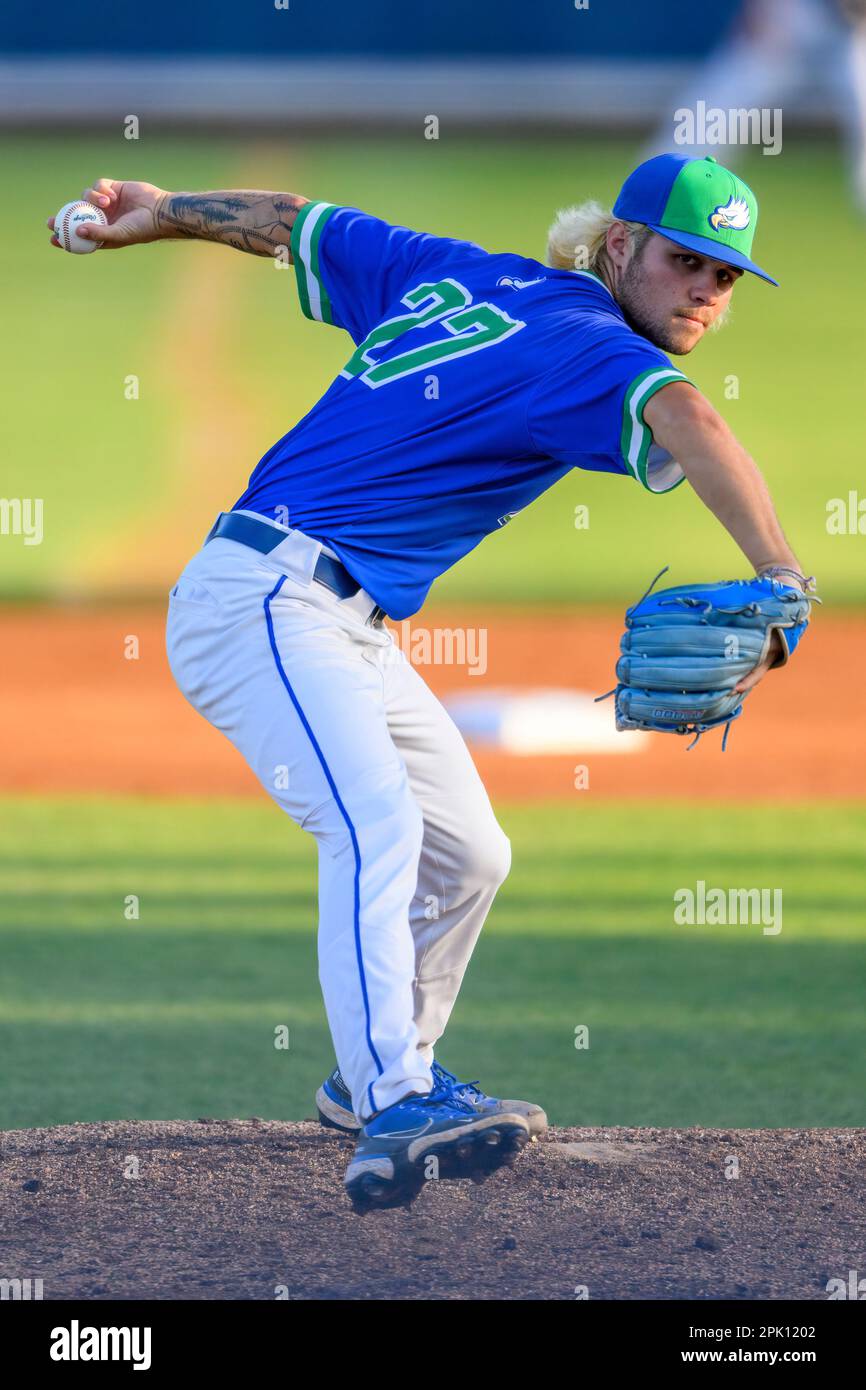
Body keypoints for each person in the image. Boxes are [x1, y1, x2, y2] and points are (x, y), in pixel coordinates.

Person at [48, 153, 809, 1210]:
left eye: (725, 278)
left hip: (339, 623)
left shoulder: (458, 274)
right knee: (374, 826)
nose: (703, 293)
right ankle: (395, 1095)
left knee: (469, 853)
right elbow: (693, 421)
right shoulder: (585, 340)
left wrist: (164, 212)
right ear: (621, 246)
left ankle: (375, 1072)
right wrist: (782, 574)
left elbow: (292, 223)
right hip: (265, 600)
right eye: (686, 261)